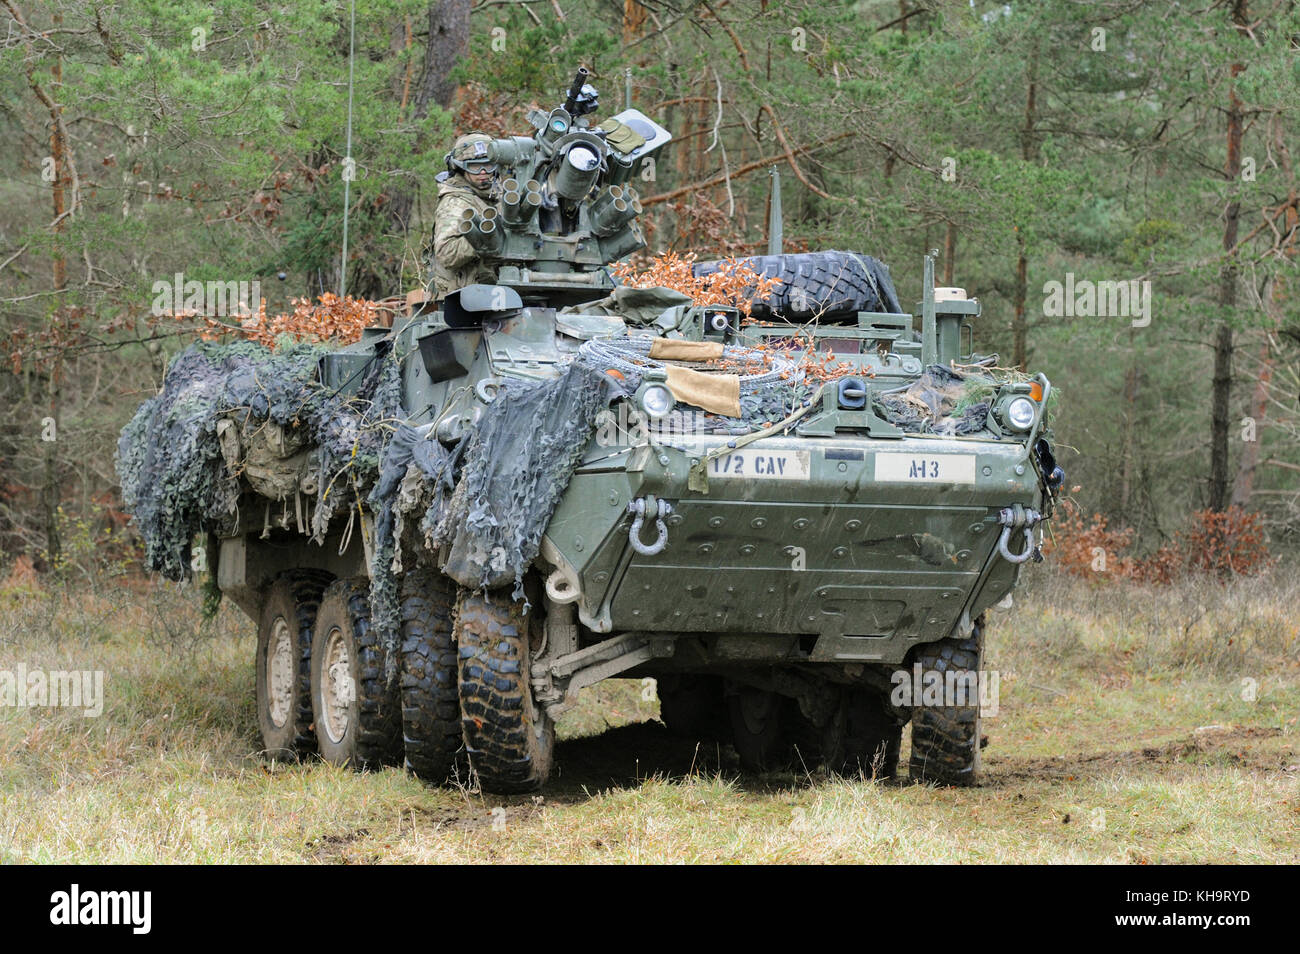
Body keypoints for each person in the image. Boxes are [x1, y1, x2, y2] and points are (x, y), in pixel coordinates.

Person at [429, 132, 500, 298]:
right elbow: (446, 253)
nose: (483, 172)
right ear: (461, 167)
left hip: (495, 293)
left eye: (488, 165)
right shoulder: (455, 202)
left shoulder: (497, 196)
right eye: (475, 166)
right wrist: (482, 240)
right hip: (461, 298)